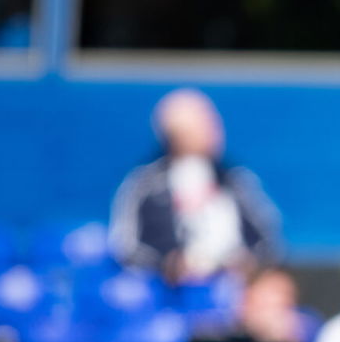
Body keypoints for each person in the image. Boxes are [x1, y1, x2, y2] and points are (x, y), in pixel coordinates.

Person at [109, 88, 283, 283]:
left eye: (214, 124)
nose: (215, 132)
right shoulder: (145, 184)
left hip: (236, 288)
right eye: (204, 126)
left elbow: (269, 236)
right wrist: (169, 265)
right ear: (174, 135)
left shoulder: (236, 180)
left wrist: (249, 263)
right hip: (170, 294)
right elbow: (126, 246)